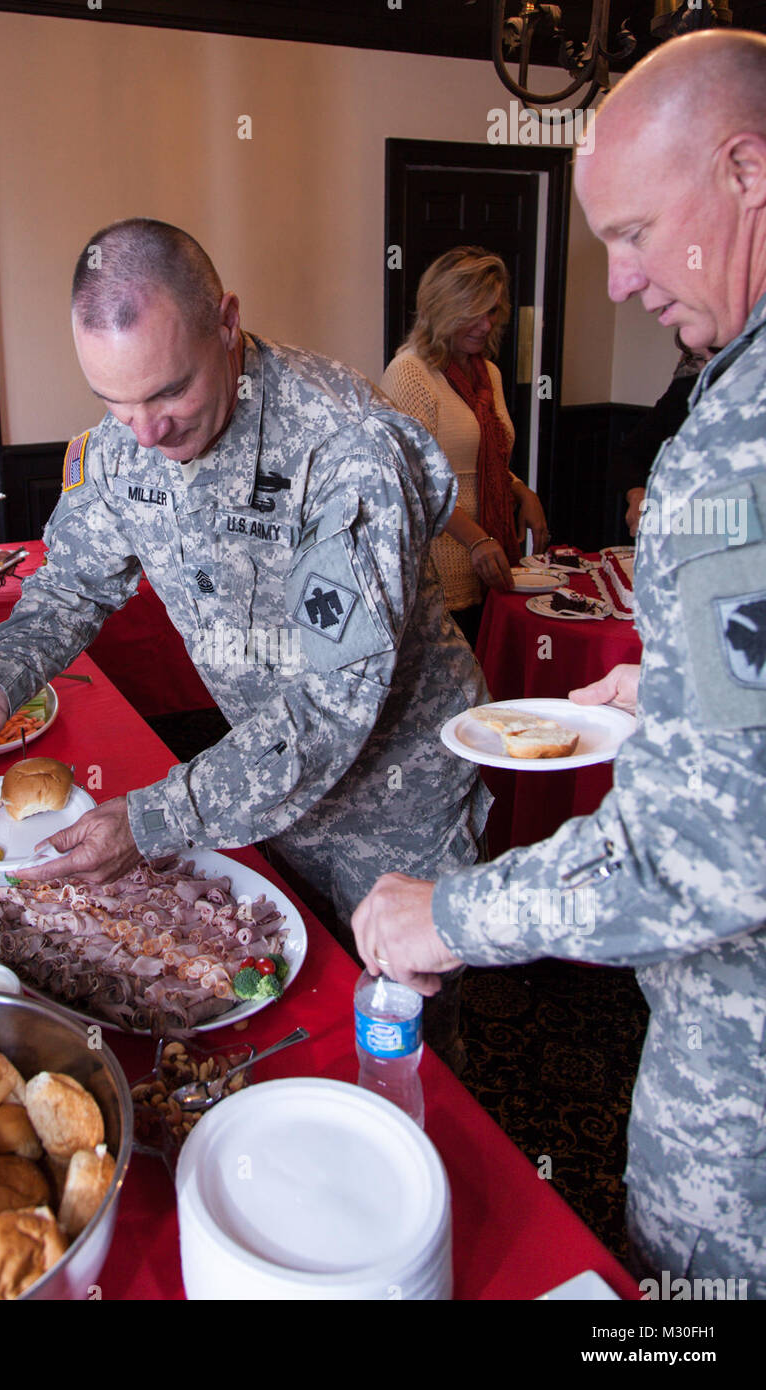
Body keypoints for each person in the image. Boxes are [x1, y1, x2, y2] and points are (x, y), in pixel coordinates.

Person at [352, 27, 766, 1295]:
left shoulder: (737, 437)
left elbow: (709, 857)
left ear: (746, 172)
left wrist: (453, 912)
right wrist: (680, 694)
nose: (623, 280)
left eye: (634, 232)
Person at [0, 219, 492, 960]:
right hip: (266, 783)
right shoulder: (123, 446)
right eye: (115, 402)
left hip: (397, 797)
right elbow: (73, 584)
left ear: (227, 323)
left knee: (400, 1028)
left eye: (168, 390)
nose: (144, 432)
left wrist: (153, 819)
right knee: (292, 991)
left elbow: (333, 703)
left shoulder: (343, 447)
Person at [380, 247, 549, 645]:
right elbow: (414, 480)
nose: (486, 325)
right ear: (442, 308)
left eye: (493, 312)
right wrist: (476, 538)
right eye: (474, 312)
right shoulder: (410, 373)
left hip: (488, 566)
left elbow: (478, 463)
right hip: (438, 573)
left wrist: (520, 490)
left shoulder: (487, 373)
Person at [611, 333, 709, 537]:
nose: (711, 369)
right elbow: (629, 456)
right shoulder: (685, 391)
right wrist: (637, 493)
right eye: (699, 358)